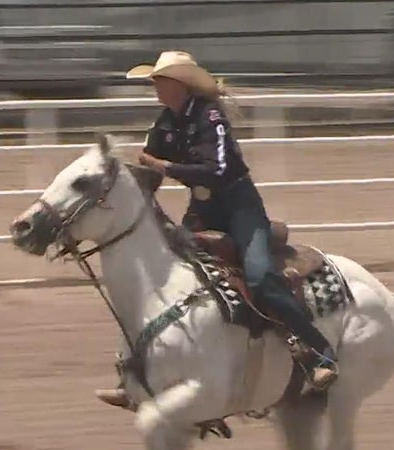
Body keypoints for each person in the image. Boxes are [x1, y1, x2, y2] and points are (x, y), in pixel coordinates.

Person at [94, 51, 338, 411]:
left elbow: (217, 170)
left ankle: (320, 354)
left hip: (240, 207)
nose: (155, 87)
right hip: (203, 208)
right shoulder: (166, 122)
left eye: (159, 81)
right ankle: (135, 375)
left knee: (259, 277)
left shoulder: (210, 117)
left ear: (178, 84)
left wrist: (164, 166)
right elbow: (146, 171)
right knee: (164, 276)